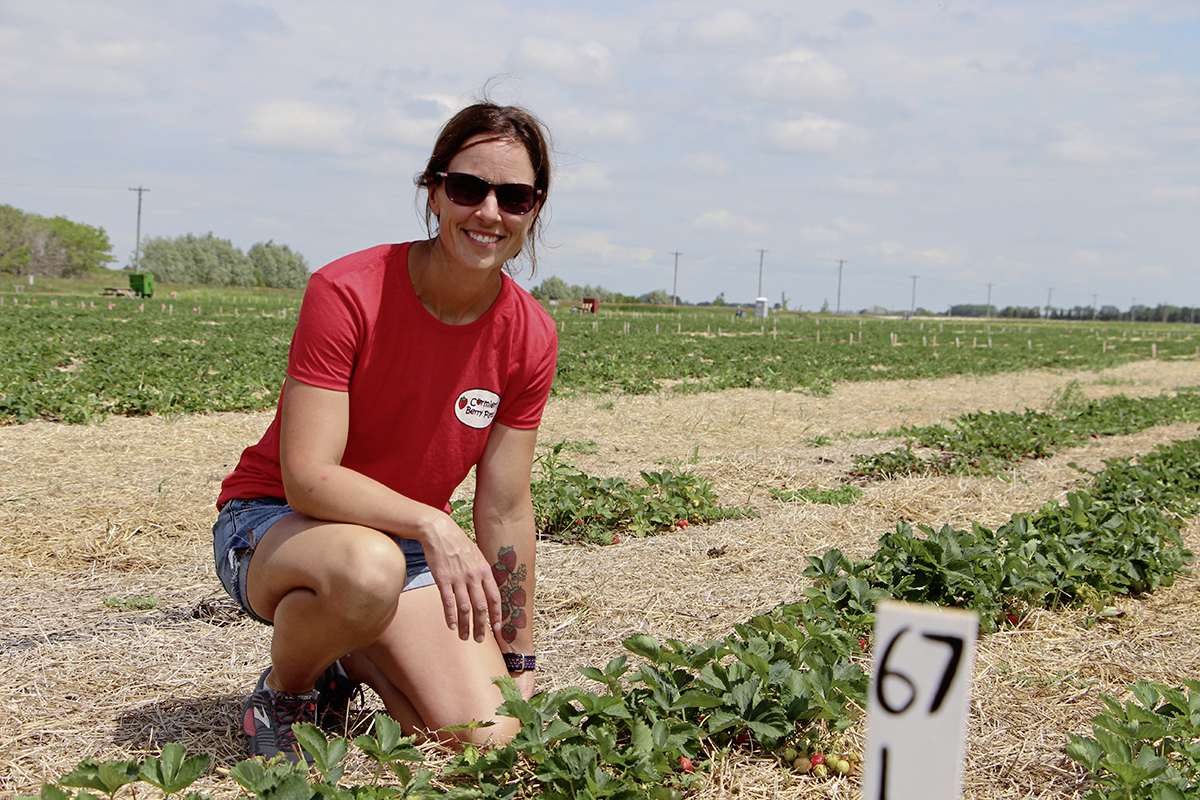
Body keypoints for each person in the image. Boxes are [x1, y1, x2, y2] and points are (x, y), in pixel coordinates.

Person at [211, 102, 557, 762]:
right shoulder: (347, 291)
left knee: (486, 742)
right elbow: (309, 477)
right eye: (467, 188)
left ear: (533, 211)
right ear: (433, 191)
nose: (488, 213)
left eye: (513, 197)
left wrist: (519, 655)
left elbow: (506, 506)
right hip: (275, 522)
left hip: (400, 544)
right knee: (370, 571)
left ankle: (351, 651)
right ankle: (287, 692)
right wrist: (432, 524)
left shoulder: (530, 334)